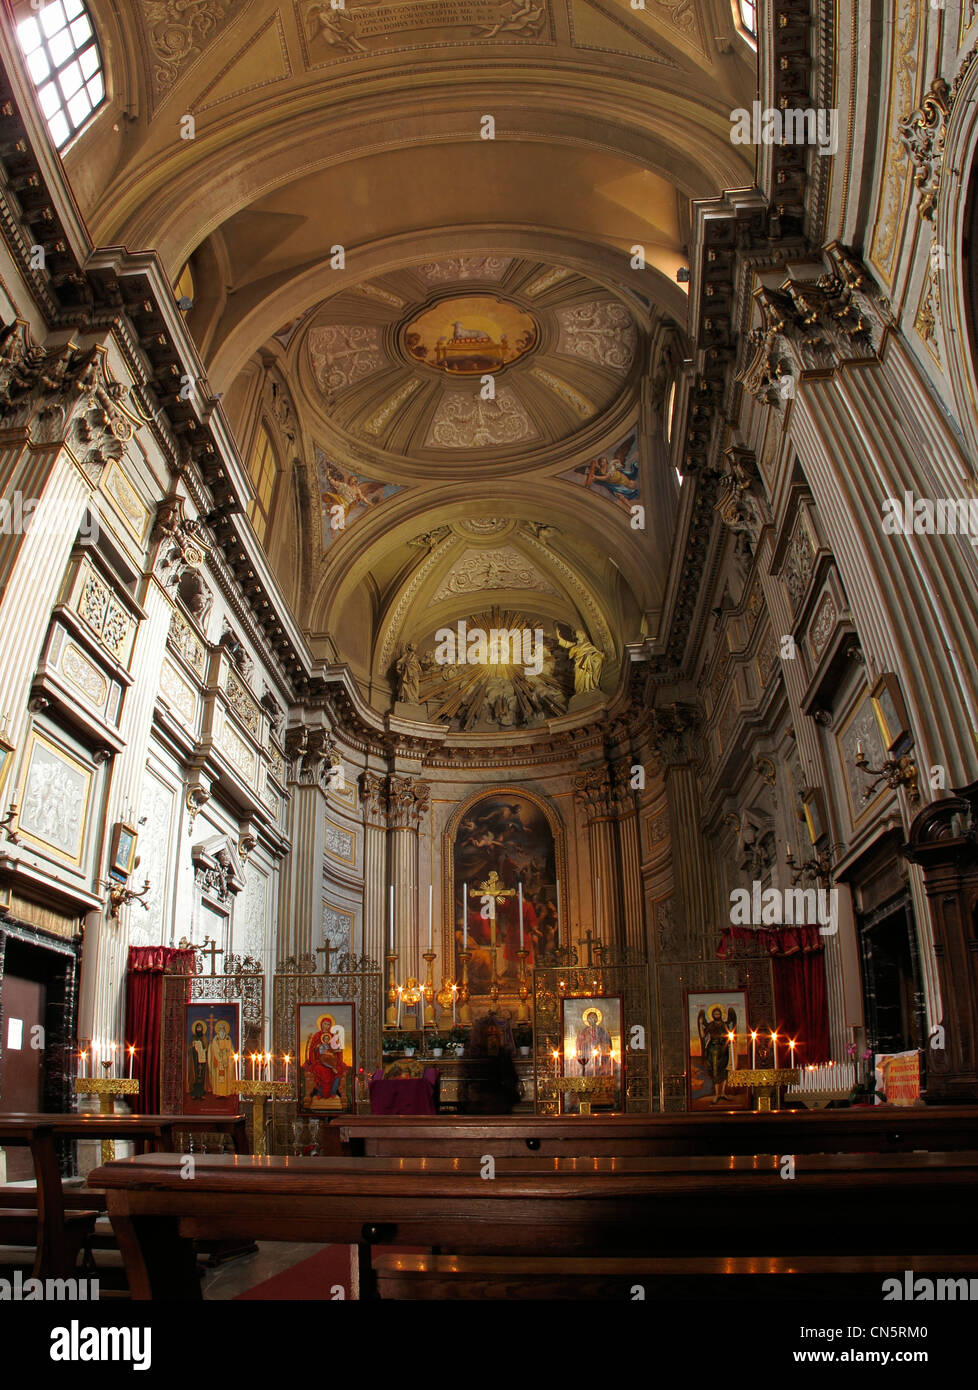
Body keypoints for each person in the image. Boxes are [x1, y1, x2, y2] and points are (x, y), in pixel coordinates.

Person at [697, 1004, 737, 1104]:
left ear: (721, 1014)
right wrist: (700, 1024)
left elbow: (730, 1033)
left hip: (723, 1049)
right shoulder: (710, 1025)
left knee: (724, 1069)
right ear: (713, 1015)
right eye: (715, 1013)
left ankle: (723, 1092)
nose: (717, 1014)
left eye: (718, 1013)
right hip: (713, 1049)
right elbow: (703, 1035)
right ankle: (716, 1094)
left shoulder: (725, 1024)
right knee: (715, 1070)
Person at [304, 1013, 348, 1103]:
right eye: (325, 1024)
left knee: (339, 1070)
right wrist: (316, 1048)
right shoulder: (317, 1036)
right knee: (321, 1070)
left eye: (328, 1024)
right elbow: (312, 1049)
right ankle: (320, 1093)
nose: (326, 1026)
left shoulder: (332, 1036)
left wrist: (334, 1051)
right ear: (321, 1024)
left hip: (331, 1061)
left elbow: (337, 1051)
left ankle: (332, 1093)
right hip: (319, 1061)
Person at [207, 1019, 235, 1097]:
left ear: (225, 1030)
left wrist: (226, 1054)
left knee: (226, 1077)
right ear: (218, 1030)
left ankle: (226, 1092)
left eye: (223, 1029)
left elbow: (231, 1049)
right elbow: (214, 1049)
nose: (222, 1031)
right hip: (219, 1062)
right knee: (218, 1077)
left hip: (226, 1061)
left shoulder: (228, 1038)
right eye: (220, 1029)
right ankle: (218, 1092)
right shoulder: (215, 1039)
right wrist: (220, 1056)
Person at [187, 1021, 207, 1100]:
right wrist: (193, 1046)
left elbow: (206, 1047)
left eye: (200, 1028)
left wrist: (204, 1050)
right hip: (194, 1060)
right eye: (197, 1028)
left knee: (201, 1076)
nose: (199, 1029)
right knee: (195, 1076)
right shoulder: (193, 1037)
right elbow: (189, 1048)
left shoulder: (204, 1037)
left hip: (202, 1060)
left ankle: (201, 1094)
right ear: (195, 1029)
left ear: (202, 1029)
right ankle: (194, 1093)